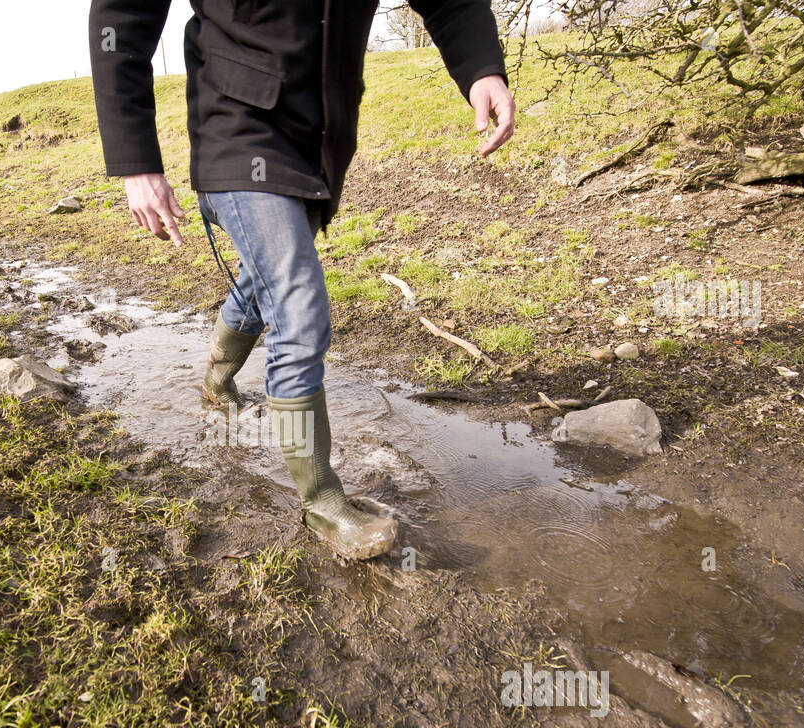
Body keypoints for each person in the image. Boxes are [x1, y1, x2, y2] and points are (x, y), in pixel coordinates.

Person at [89, 0, 514, 560]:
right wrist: (135, 159)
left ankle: (216, 379)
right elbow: (122, 17)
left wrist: (481, 66)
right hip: (236, 130)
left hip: (321, 138)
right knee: (297, 300)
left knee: (268, 277)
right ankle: (321, 502)